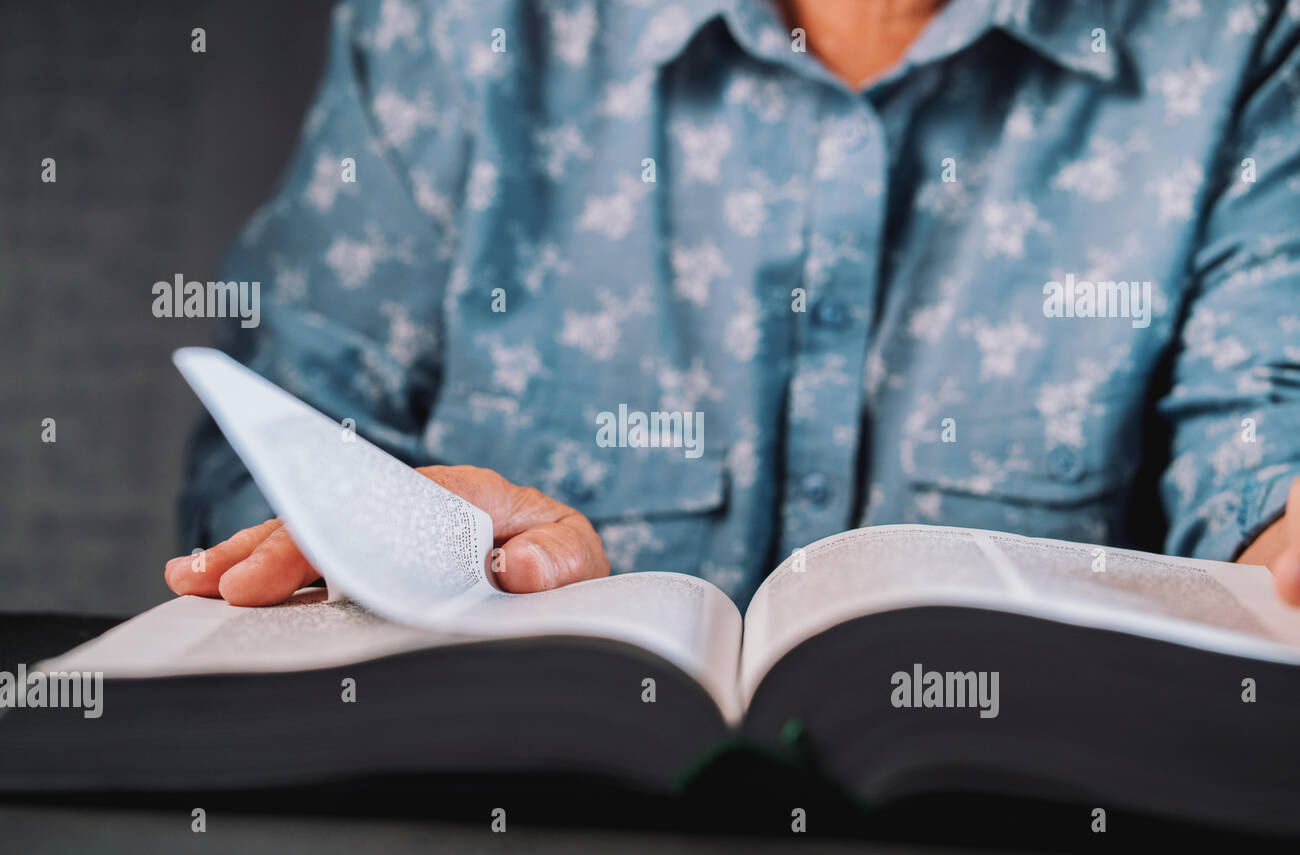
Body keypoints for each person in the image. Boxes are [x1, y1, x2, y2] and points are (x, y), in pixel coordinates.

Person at [165, 0, 1300, 611]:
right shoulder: (461, 27)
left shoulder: (1239, 38)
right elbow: (273, 439)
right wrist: (410, 538)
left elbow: (1260, 430)